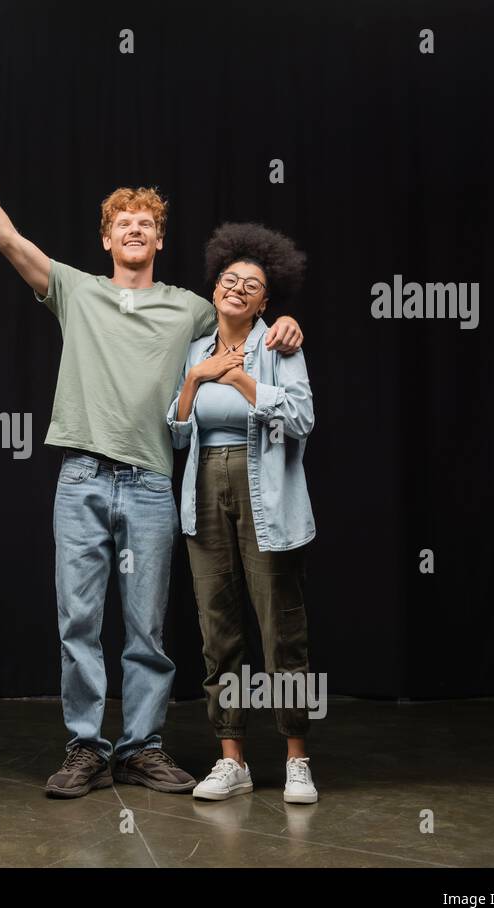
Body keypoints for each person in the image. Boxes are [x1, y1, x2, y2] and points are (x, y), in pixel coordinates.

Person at [0, 102, 304, 798]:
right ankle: (85, 747)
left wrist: (284, 321)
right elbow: (4, 236)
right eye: (123, 222)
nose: (135, 228)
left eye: (147, 223)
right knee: (77, 620)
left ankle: (142, 747)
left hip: (155, 481)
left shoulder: (189, 306)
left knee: (146, 626)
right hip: (82, 478)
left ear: (160, 238)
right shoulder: (77, 290)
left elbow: (243, 314)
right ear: (107, 240)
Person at [167, 222, 319, 804]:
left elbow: (301, 420)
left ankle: (297, 757)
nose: (237, 288)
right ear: (215, 288)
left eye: (251, 285)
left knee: (281, 631)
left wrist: (242, 380)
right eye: (230, 279)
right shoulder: (194, 351)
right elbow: (178, 433)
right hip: (204, 495)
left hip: (268, 500)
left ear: (265, 300)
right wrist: (197, 380)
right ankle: (232, 759)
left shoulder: (281, 345)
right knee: (219, 630)